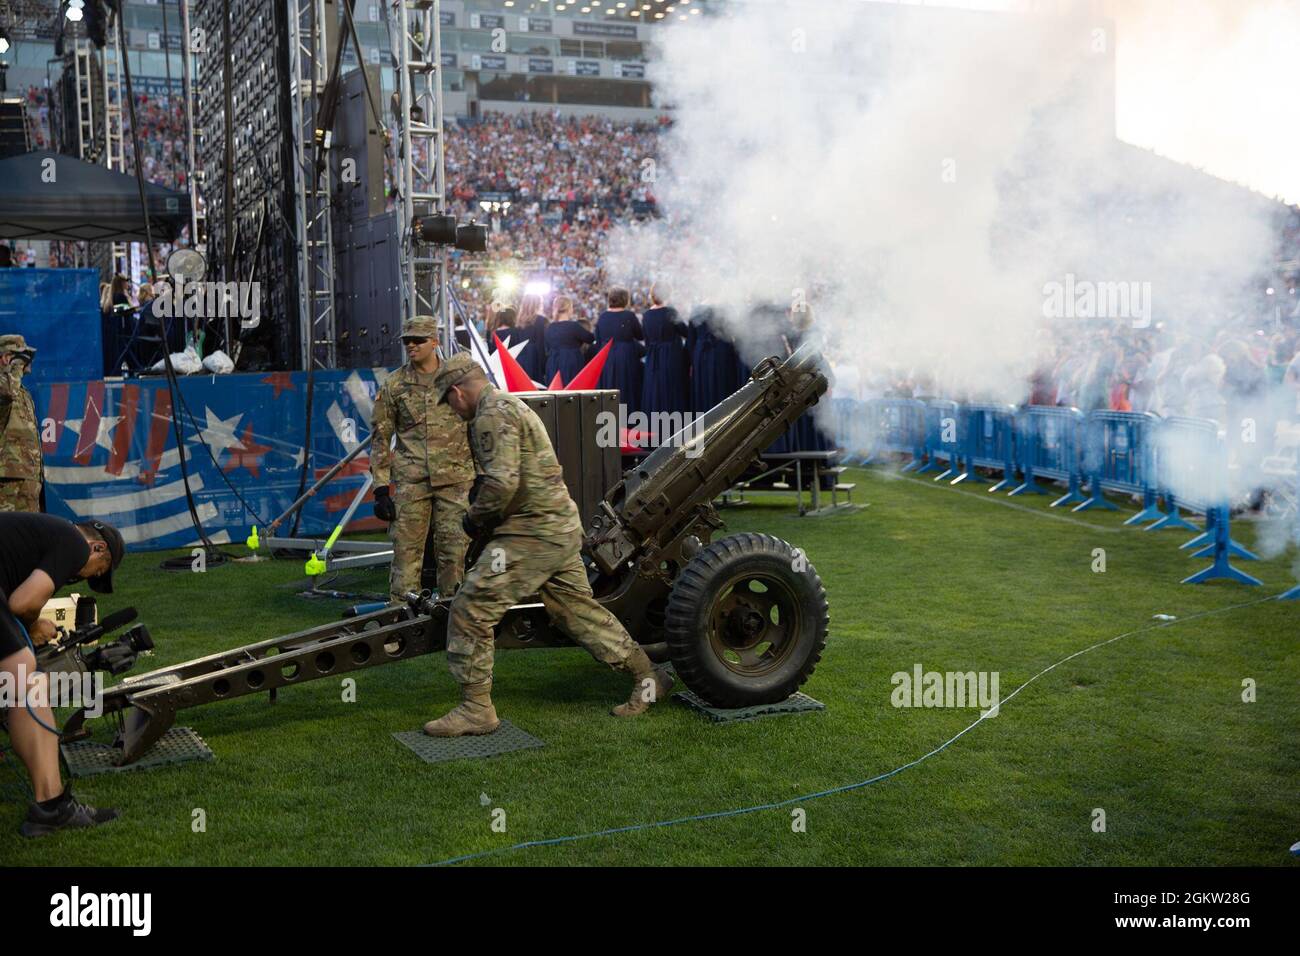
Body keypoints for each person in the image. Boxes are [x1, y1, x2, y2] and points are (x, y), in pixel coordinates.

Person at [423, 353, 672, 737]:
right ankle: (648, 677)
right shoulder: (509, 404)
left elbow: (501, 484)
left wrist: (473, 519)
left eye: (450, 404)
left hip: (532, 534)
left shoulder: (491, 414)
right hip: (557, 527)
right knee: (576, 612)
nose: (453, 412)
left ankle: (476, 708)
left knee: (471, 607)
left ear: (457, 392)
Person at [1, 514, 124, 836]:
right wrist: (33, 625)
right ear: (97, 548)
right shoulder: (72, 541)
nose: (86, 576)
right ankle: (52, 807)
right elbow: (21, 602)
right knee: (27, 680)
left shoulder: (33, 538)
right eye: (96, 570)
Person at [369, 316, 474, 604]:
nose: (411, 345)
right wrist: (380, 489)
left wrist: (483, 476)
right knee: (406, 555)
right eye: (406, 341)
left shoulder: (458, 380)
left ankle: (453, 621)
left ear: (435, 342)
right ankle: (399, 622)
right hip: (412, 482)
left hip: (456, 481)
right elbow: (380, 437)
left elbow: (476, 426)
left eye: (418, 340)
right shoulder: (395, 385)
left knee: (454, 555)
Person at [0, 335, 41, 513]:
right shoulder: (6, 388)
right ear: (6, 358)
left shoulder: (22, 392)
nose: (27, 362)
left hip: (27, 478)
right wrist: (14, 366)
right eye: (23, 357)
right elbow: (7, 393)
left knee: (28, 537)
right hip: (7, 481)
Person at [640, 284, 690, 421]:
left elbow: (646, 339)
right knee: (671, 390)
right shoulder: (670, 312)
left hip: (653, 358)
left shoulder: (646, 315)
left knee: (655, 391)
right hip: (671, 357)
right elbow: (686, 332)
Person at [595, 287, 644, 413]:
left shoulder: (603, 317)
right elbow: (640, 335)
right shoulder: (629, 316)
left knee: (610, 387)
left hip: (607, 357)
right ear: (625, 299)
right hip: (626, 356)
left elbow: (598, 339)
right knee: (627, 387)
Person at [543, 294, 594, 386]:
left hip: (553, 363)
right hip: (571, 362)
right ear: (570, 309)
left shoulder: (550, 327)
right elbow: (590, 338)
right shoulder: (573, 326)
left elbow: (546, 346)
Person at [513, 293, 548, 384]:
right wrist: (544, 366)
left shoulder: (517, 321)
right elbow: (541, 344)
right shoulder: (540, 320)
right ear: (537, 304)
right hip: (535, 358)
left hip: (520, 358)